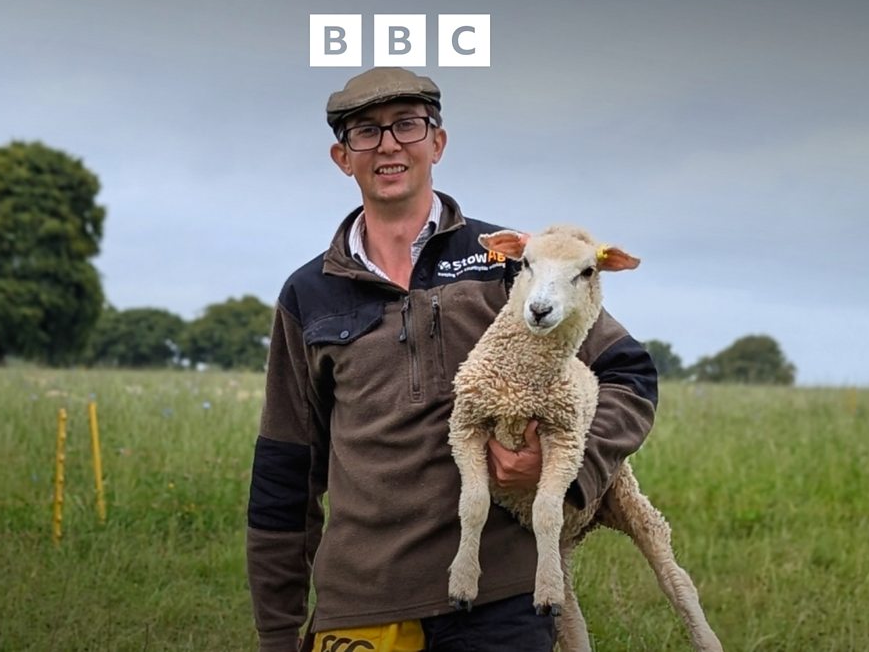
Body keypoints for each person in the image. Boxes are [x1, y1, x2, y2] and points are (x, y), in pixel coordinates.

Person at [246, 67, 658, 652]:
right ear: (343, 157)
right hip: (363, 600)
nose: (388, 144)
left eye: (407, 126)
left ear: (437, 143)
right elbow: (286, 471)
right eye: (366, 131)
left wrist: (565, 466)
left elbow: (629, 375)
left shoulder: (513, 265)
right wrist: (276, 633)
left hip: (501, 600)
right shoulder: (308, 295)